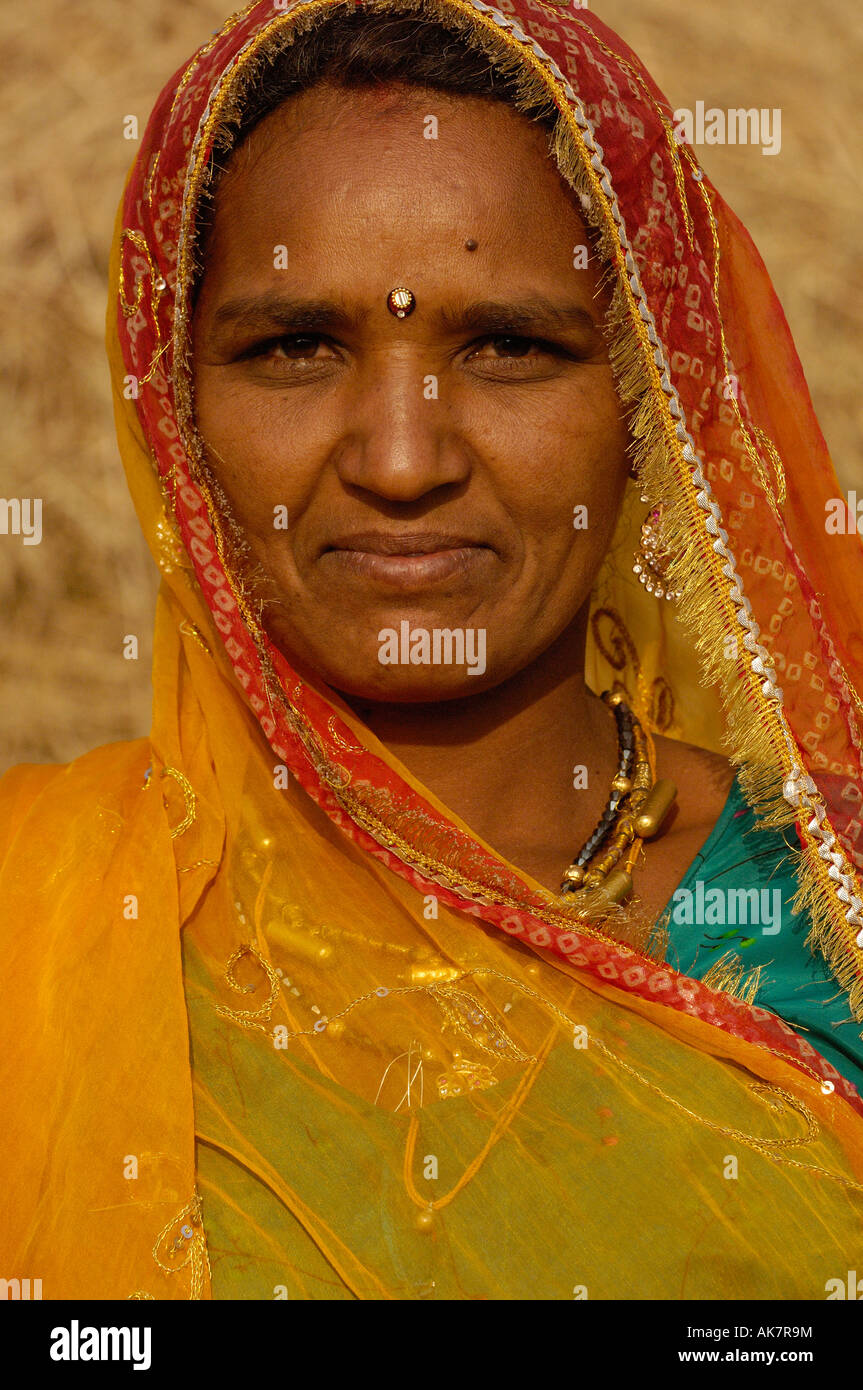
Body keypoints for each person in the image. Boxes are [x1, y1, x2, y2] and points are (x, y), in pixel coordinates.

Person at [2, 0, 863, 1301]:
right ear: (174, 409)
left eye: (509, 347)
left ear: (648, 394)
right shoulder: (43, 926)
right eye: (296, 347)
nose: (403, 459)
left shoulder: (831, 914)